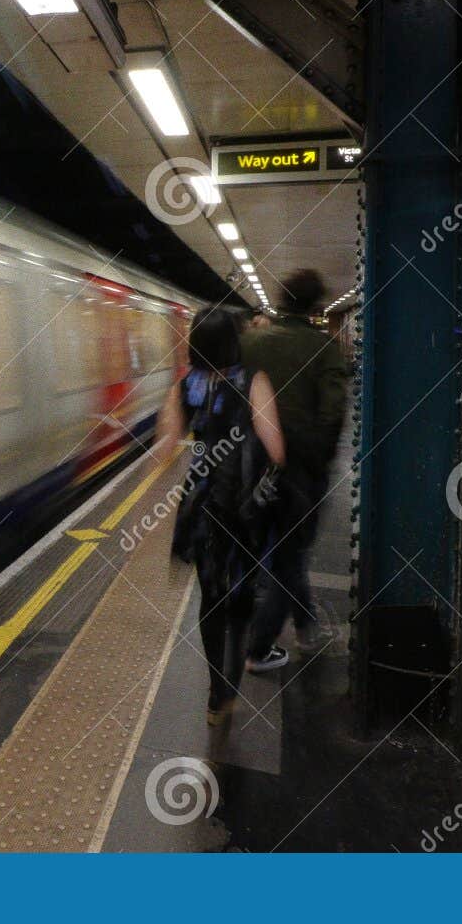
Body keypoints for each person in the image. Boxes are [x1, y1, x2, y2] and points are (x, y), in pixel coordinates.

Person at [153, 306, 285, 725]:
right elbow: (276, 449)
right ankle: (231, 682)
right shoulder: (253, 381)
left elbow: (164, 450)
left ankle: (216, 696)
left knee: (210, 599)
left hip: (202, 506)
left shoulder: (185, 386)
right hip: (244, 506)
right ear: (234, 340)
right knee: (242, 597)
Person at [240, 269, 348, 673]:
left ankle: (306, 626)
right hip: (300, 474)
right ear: (317, 307)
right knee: (290, 555)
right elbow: (332, 415)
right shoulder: (325, 350)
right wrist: (314, 466)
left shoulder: (252, 342)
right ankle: (258, 649)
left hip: (252, 467)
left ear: (280, 300)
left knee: (275, 553)